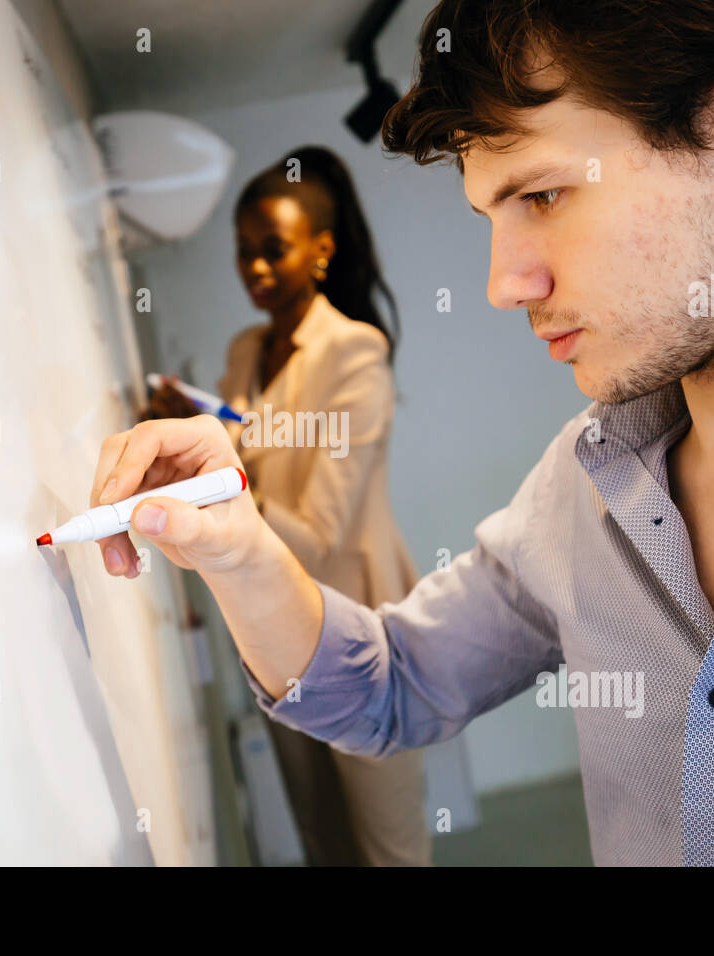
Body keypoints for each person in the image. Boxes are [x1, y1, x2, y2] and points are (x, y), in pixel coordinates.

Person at [90, 0, 714, 865]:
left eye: (543, 193)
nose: (504, 283)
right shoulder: (589, 477)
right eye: (493, 216)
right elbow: (391, 686)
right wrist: (238, 548)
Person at [145, 146, 432, 866]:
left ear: (321, 249)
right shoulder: (246, 350)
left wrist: (221, 467)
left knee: (385, 842)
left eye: (273, 249)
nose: (255, 270)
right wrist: (188, 428)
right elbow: (239, 442)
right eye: (243, 253)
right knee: (322, 838)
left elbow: (321, 533)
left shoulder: (354, 352)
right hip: (271, 625)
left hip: (365, 630)